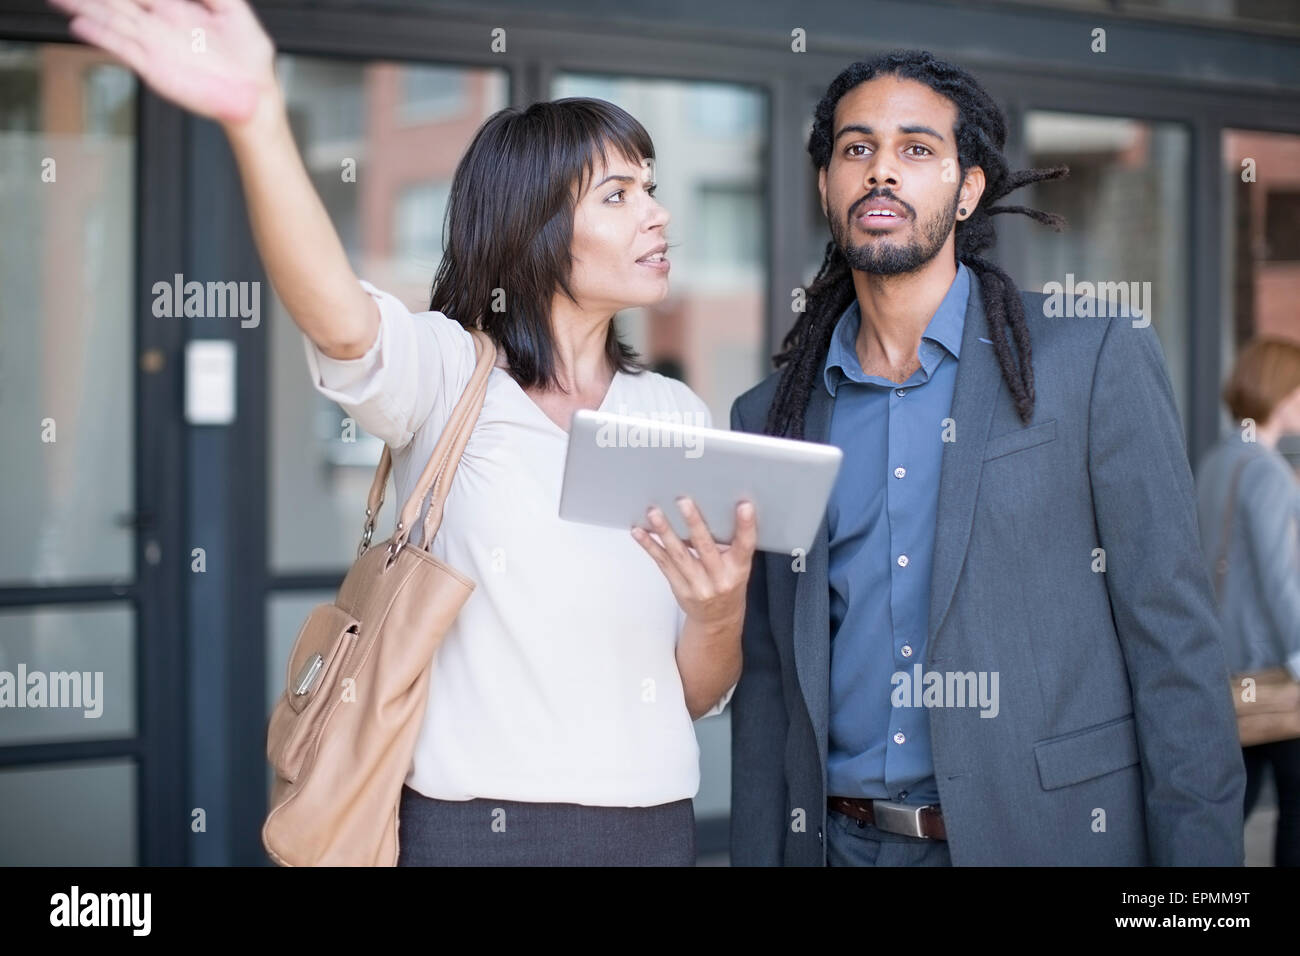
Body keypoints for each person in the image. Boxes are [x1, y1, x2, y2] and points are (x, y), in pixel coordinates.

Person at [49, 0, 754, 865]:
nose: (658, 214)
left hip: (649, 827)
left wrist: (717, 612)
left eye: (651, 187)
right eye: (618, 194)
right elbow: (342, 324)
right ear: (534, 229)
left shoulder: (675, 416)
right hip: (466, 830)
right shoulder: (451, 372)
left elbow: (692, 692)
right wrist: (258, 116)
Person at [728, 49, 1245, 866]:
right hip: (838, 845)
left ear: (968, 190)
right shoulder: (772, 417)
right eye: (856, 149)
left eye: (917, 149)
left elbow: (1173, 644)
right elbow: (768, 689)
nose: (881, 173)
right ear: (826, 182)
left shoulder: (1092, 359)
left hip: (1046, 839)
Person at [1196, 337, 1300, 867]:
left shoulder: (1217, 461)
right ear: (1281, 394)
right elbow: (1282, 580)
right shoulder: (1268, 473)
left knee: (1227, 805)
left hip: (1225, 670)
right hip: (1270, 672)